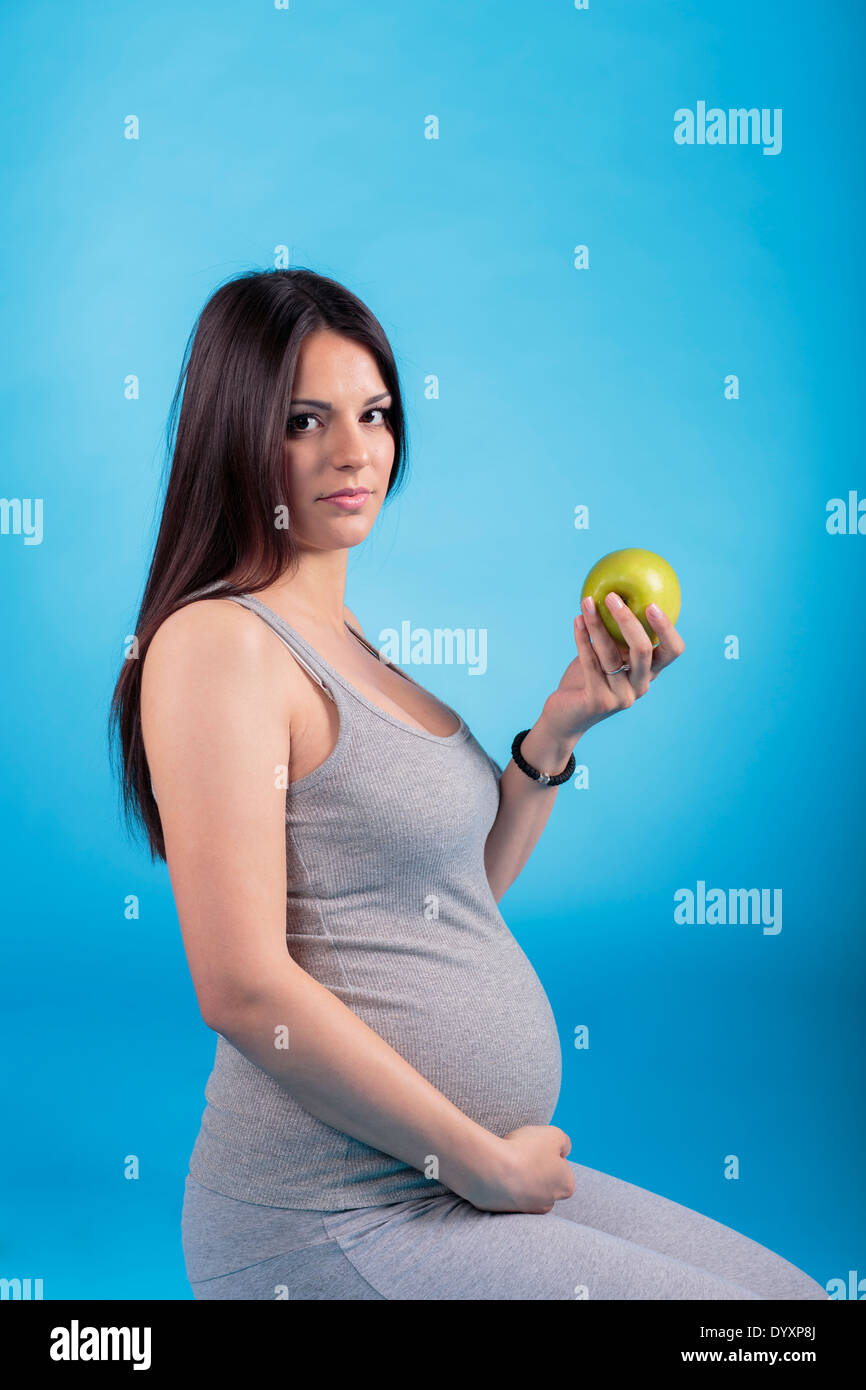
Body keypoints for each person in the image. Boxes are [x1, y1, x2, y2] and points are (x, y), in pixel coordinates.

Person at [109, 267, 828, 1300]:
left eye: (374, 413)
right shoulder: (219, 645)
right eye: (305, 420)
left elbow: (448, 906)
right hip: (330, 1220)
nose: (355, 451)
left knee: (791, 1313)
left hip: (438, 1187)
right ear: (236, 430)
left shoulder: (353, 646)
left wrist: (557, 728)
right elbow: (239, 987)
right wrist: (476, 1159)